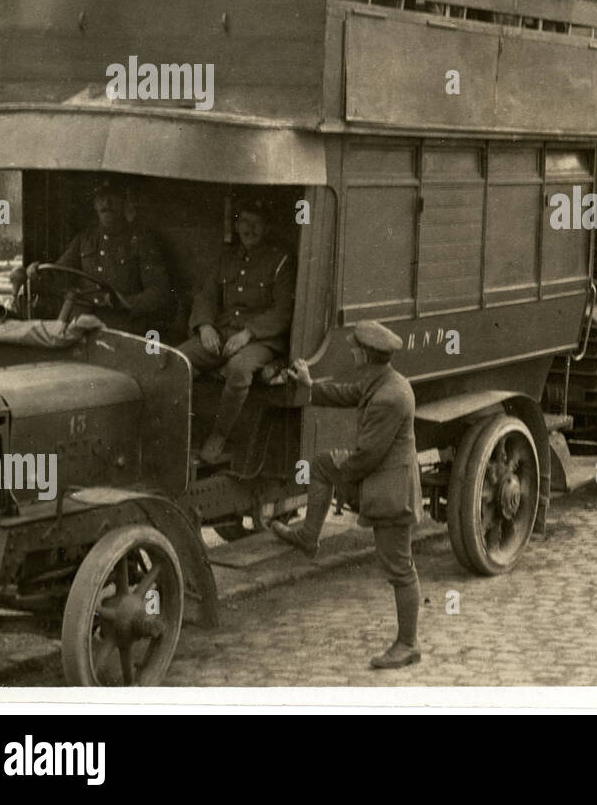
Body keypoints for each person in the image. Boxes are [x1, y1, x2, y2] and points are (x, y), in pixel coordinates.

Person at [270, 321, 423, 671]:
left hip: (390, 491)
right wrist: (311, 388)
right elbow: (349, 394)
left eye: (354, 348)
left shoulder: (389, 397)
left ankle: (408, 644)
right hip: (383, 479)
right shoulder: (383, 381)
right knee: (324, 464)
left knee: (399, 567)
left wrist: (343, 469)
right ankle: (309, 536)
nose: (351, 351)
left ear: (363, 354)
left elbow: (367, 456)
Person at [178, 199, 295, 464]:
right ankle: (179, 431)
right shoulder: (227, 257)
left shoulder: (281, 260)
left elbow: (283, 310)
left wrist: (248, 334)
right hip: (222, 331)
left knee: (239, 370)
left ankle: (219, 435)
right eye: (244, 222)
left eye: (256, 224)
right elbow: (207, 295)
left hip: (261, 339)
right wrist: (205, 326)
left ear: (267, 228)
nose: (249, 229)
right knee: (178, 360)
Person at [15, 179, 170, 335]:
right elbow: (59, 273)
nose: (106, 203)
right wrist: (35, 271)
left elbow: (159, 292)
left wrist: (125, 302)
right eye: (101, 197)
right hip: (81, 320)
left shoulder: (142, 241)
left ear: (124, 202)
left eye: (113, 196)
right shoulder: (85, 239)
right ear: (95, 205)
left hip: (122, 324)